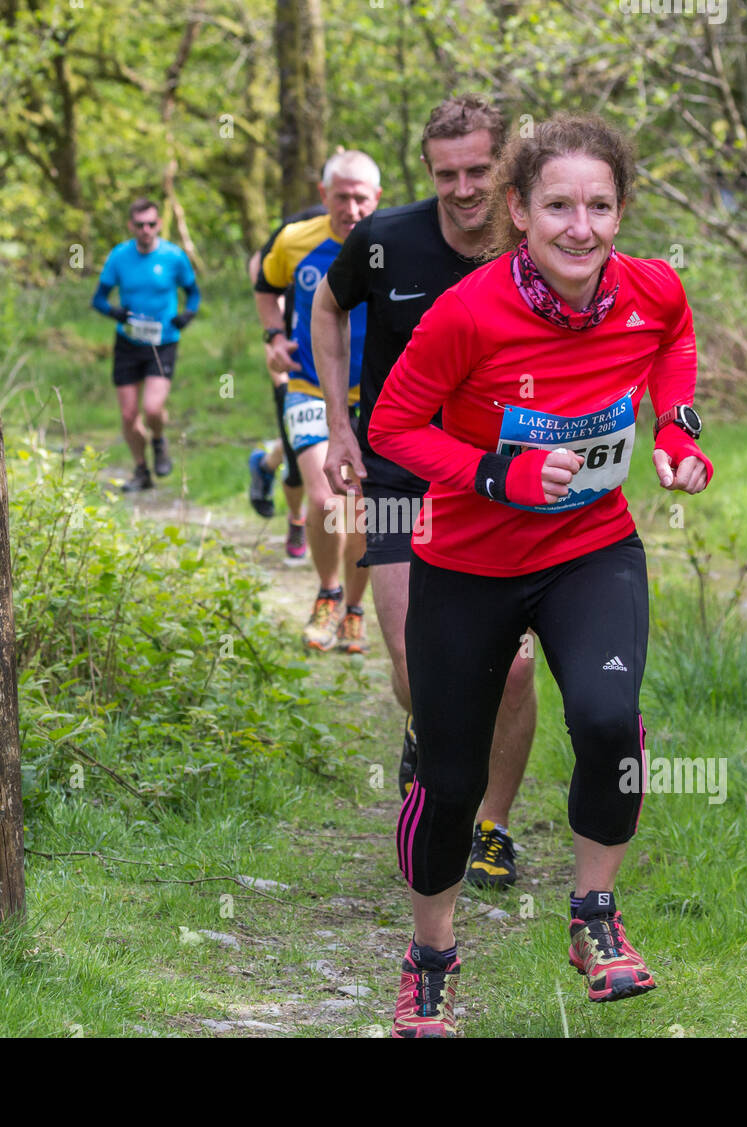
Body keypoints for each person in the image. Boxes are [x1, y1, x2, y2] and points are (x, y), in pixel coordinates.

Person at [367, 113, 713, 1037]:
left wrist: (678, 432)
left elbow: (673, 344)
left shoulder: (651, 290)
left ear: (621, 211)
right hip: (469, 561)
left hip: (590, 547)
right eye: (558, 205)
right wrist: (497, 472)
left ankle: (594, 920)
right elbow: (391, 428)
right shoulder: (469, 311)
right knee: (448, 779)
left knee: (609, 722)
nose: (581, 227)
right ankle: (430, 960)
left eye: (600, 206)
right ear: (518, 210)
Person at [312, 95, 536, 889]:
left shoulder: (536, 241)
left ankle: (492, 826)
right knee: (415, 657)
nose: (465, 188)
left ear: (505, 163)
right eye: (448, 173)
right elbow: (329, 307)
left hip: (503, 480)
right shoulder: (384, 241)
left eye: (479, 169)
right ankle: (427, 727)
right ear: (428, 170)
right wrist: (339, 424)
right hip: (402, 471)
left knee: (510, 670)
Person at [256, 150, 382, 652]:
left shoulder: (392, 242)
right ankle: (327, 594)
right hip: (308, 385)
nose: (351, 208)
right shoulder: (295, 240)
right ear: (323, 193)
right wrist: (273, 335)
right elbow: (266, 286)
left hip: (375, 394)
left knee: (362, 510)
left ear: (377, 199)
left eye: (361, 198)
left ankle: (354, 608)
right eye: (342, 196)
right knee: (327, 497)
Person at [92, 198, 200, 493]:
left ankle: (159, 441)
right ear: (131, 226)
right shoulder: (119, 256)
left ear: (159, 225)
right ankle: (142, 470)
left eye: (151, 224)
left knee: (153, 409)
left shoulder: (174, 256)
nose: (146, 230)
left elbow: (193, 293)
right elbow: (98, 299)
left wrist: (188, 314)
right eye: (140, 225)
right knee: (128, 416)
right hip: (128, 342)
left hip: (162, 342)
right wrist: (113, 311)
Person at [247, 202, 326, 559]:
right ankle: (297, 519)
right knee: (298, 461)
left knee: (300, 442)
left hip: (337, 377)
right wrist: (282, 383)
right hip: (293, 376)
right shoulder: (281, 262)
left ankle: (264, 463)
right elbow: (273, 332)